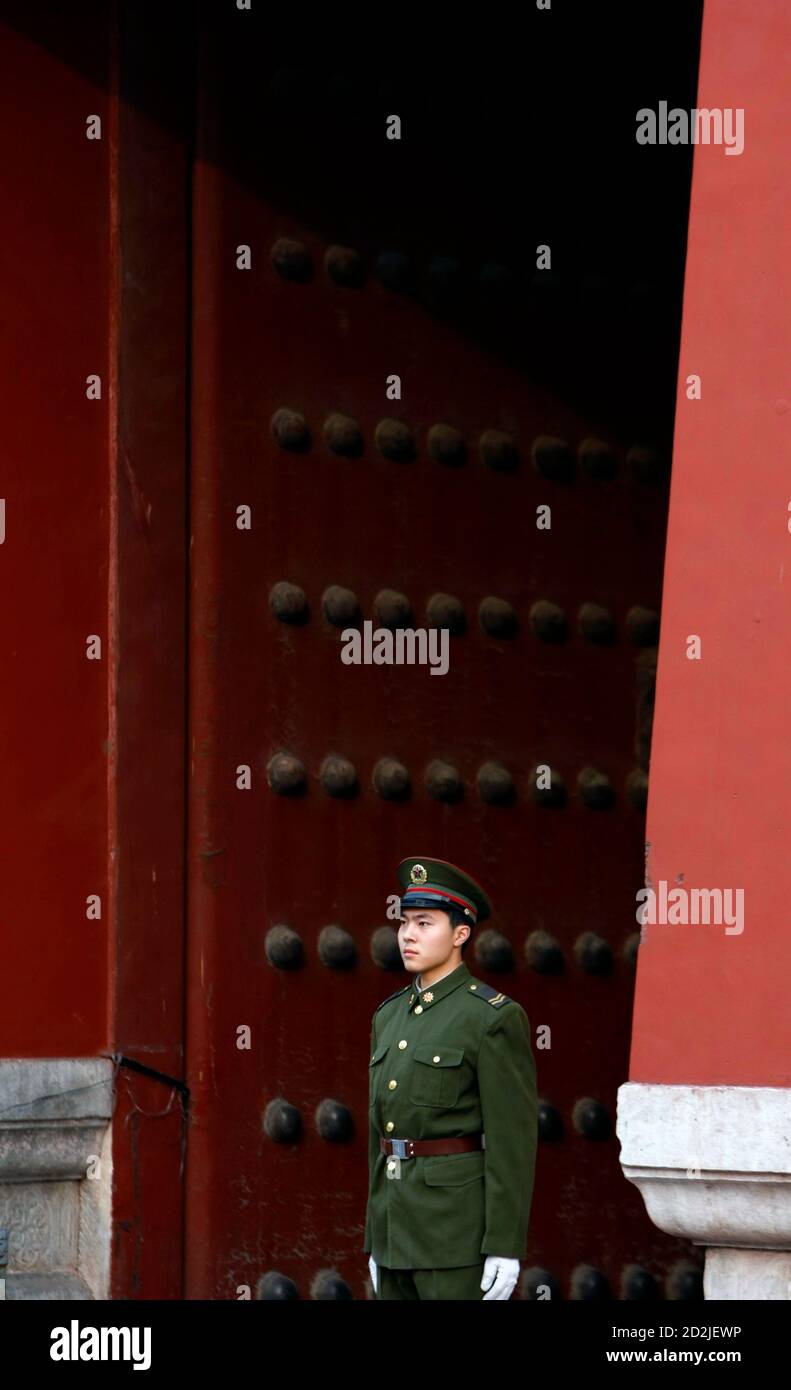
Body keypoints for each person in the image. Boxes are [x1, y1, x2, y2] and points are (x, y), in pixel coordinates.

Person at [363, 856, 538, 1300]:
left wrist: (504, 1244)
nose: (408, 934)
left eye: (425, 923)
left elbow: (511, 1141)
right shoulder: (389, 1016)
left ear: (461, 934)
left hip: (453, 1236)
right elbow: (379, 1135)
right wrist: (374, 1237)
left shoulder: (491, 1018)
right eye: (405, 922)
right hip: (392, 1229)